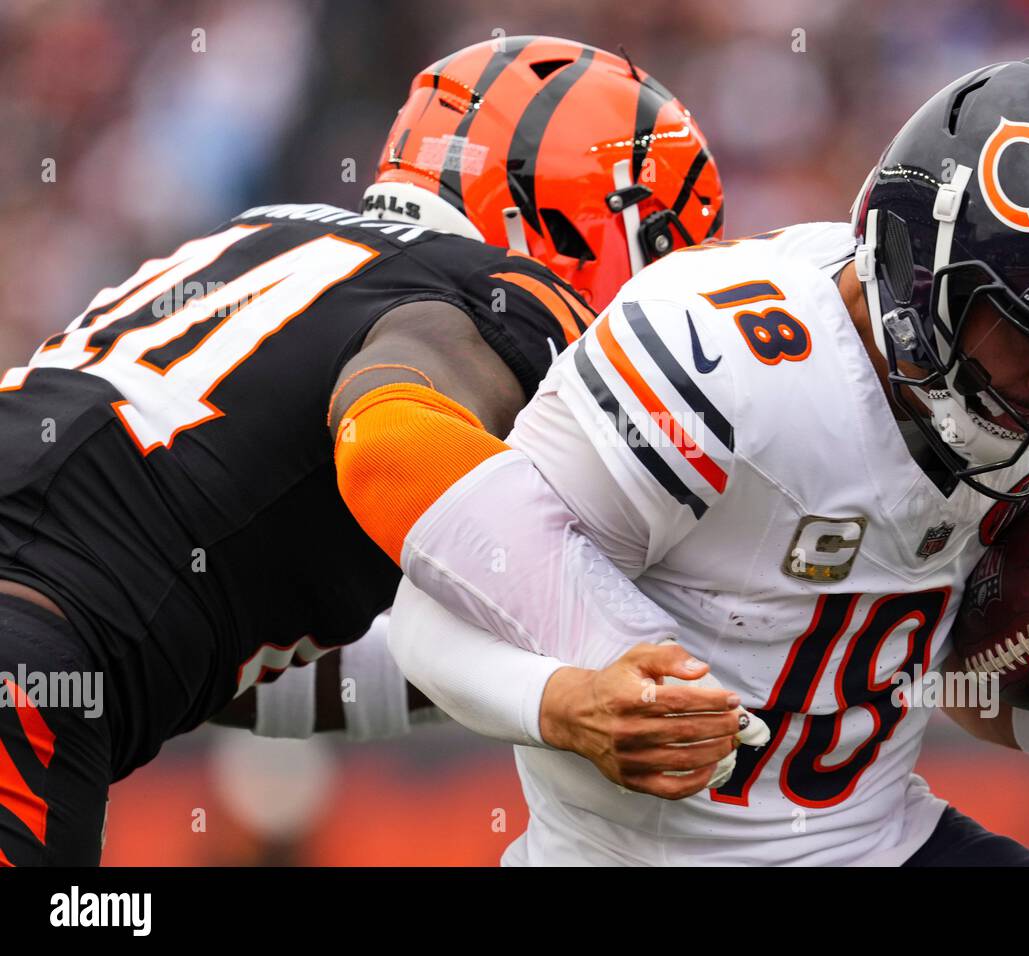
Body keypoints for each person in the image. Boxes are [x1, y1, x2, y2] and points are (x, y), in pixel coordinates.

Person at [386, 58, 1029, 865]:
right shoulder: (720, 364)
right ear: (917, 274)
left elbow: (962, 694)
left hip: (880, 843)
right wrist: (562, 705)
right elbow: (435, 613)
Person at [0, 35, 724, 865]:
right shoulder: (498, 295)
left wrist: (489, 677)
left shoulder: (267, 233)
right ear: (596, 216)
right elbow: (388, 437)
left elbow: (218, 658)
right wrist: (614, 653)